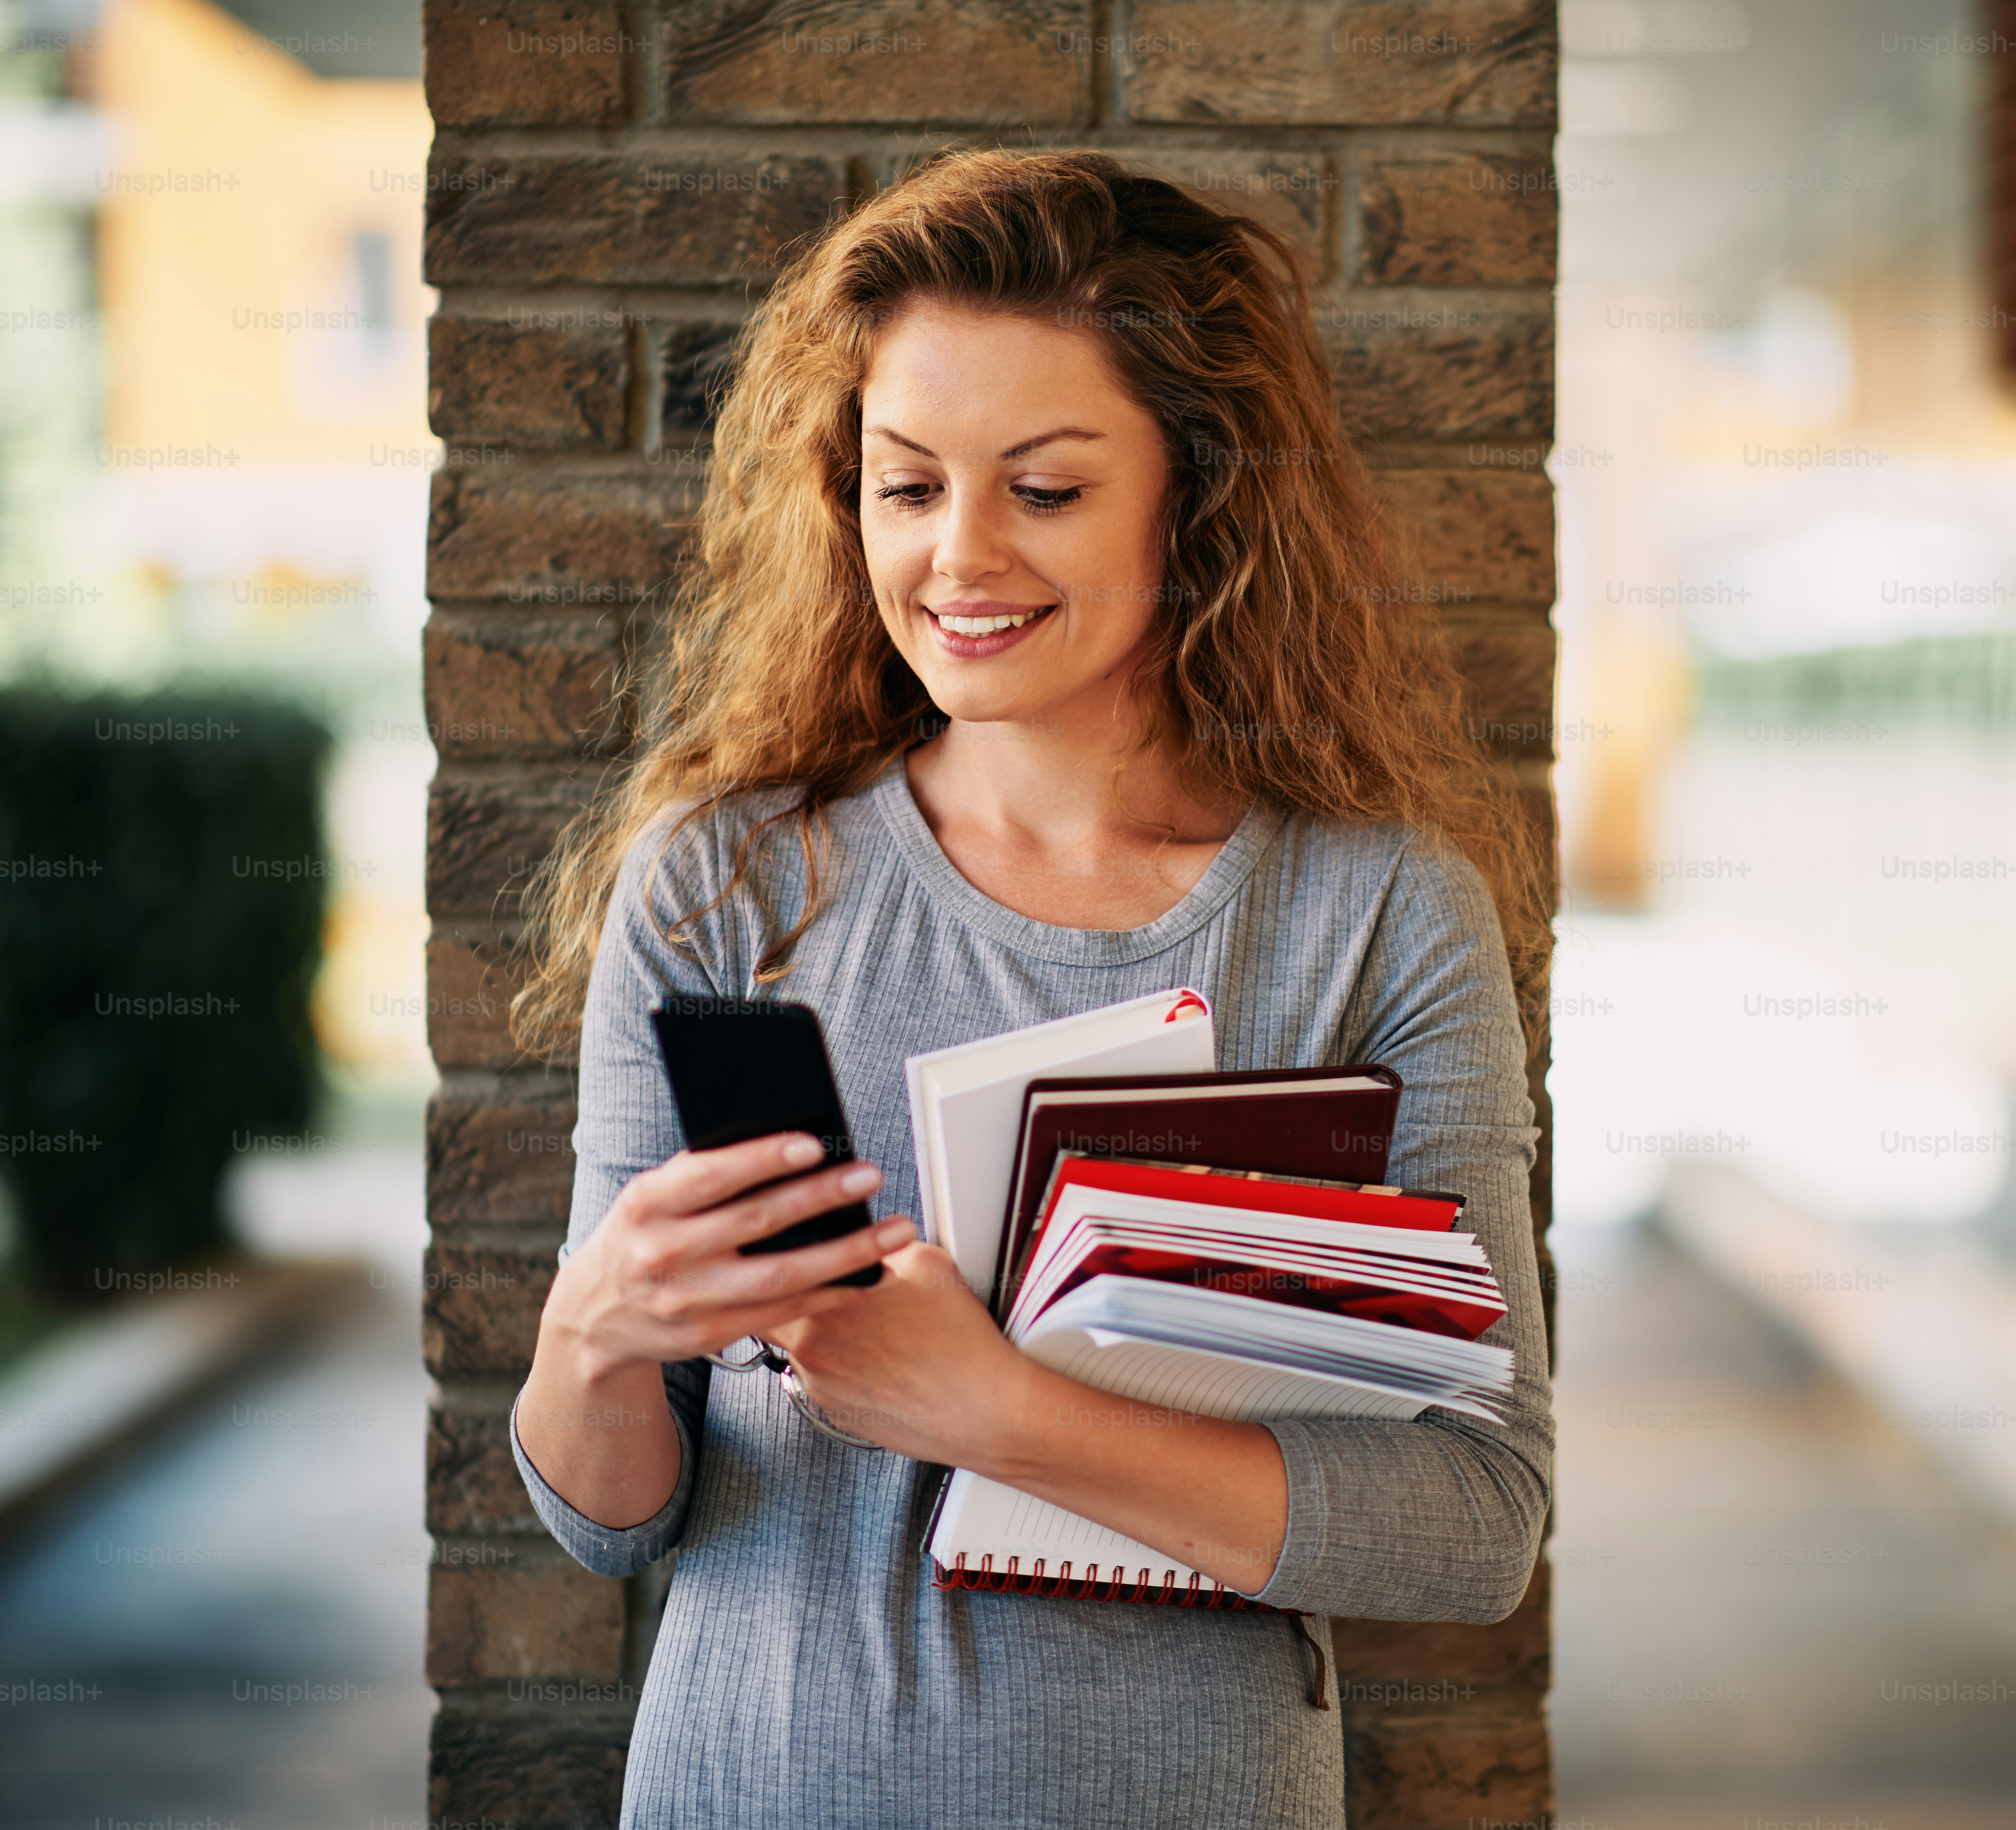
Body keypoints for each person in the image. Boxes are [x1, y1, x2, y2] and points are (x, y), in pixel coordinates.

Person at [505, 147, 1554, 1830]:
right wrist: (594, 1330)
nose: (957, 556)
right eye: (905, 485)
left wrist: (995, 1408)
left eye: (1046, 489)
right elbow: (608, 1517)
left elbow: (1472, 1521)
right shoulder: (724, 883)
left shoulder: (1376, 915)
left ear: (1195, 492)